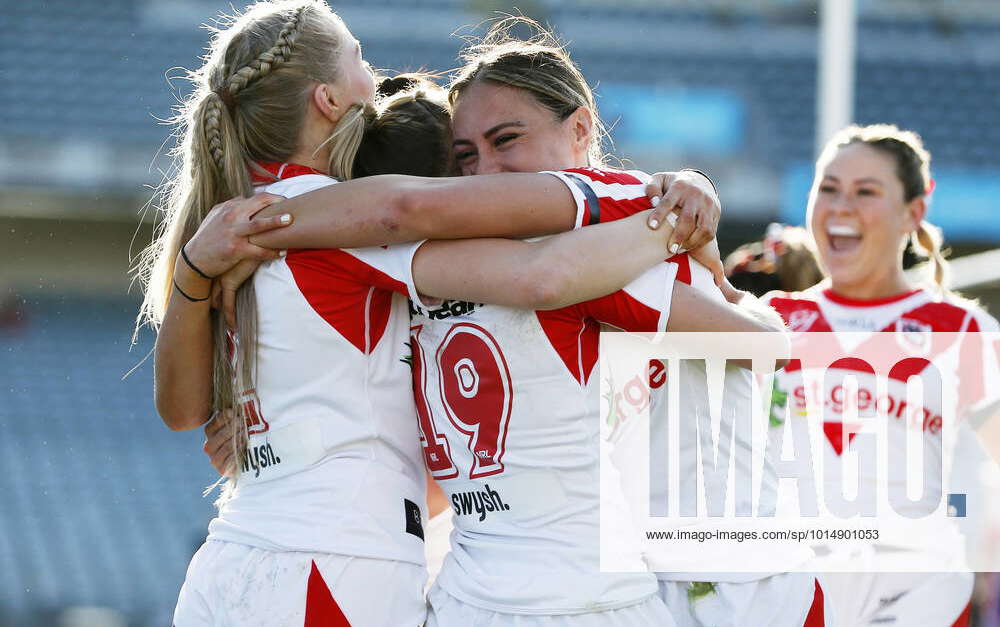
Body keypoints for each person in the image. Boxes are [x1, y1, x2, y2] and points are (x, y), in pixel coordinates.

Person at [138, 3, 732, 625]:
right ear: (328, 99)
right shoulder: (340, 224)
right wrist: (665, 213)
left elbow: (181, 413)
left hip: (233, 550)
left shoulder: (224, 227)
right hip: (335, 558)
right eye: (359, 59)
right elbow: (534, 271)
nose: (374, 76)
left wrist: (191, 273)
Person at [762, 124, 999, 627]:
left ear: (913, 213)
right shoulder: (768, 318)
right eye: (828, 188)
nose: (841, 206)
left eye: (865, 191)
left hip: (917, 600)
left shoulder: (962, 329)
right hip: (785, 594)